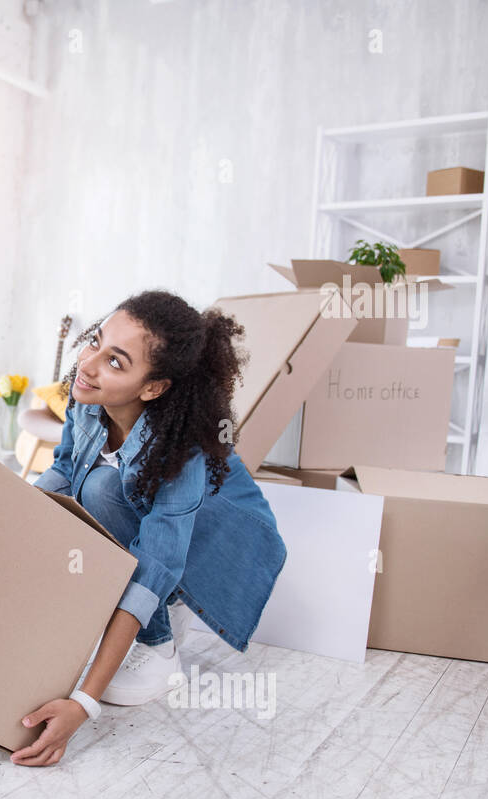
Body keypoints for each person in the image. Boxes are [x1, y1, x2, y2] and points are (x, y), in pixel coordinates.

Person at [15, 290, 287, 767]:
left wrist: (84, 704)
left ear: (154, 388)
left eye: (116, 362)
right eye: (95, 342)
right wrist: (9, 513)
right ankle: (163, 608)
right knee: (87, 488)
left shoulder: (182, 454)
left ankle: (158, 645)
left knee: (101, 492)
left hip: (223, 537)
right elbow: (61, 469)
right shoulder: (87, 399)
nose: (89, 364)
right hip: (165, 530)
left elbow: (153, 565)